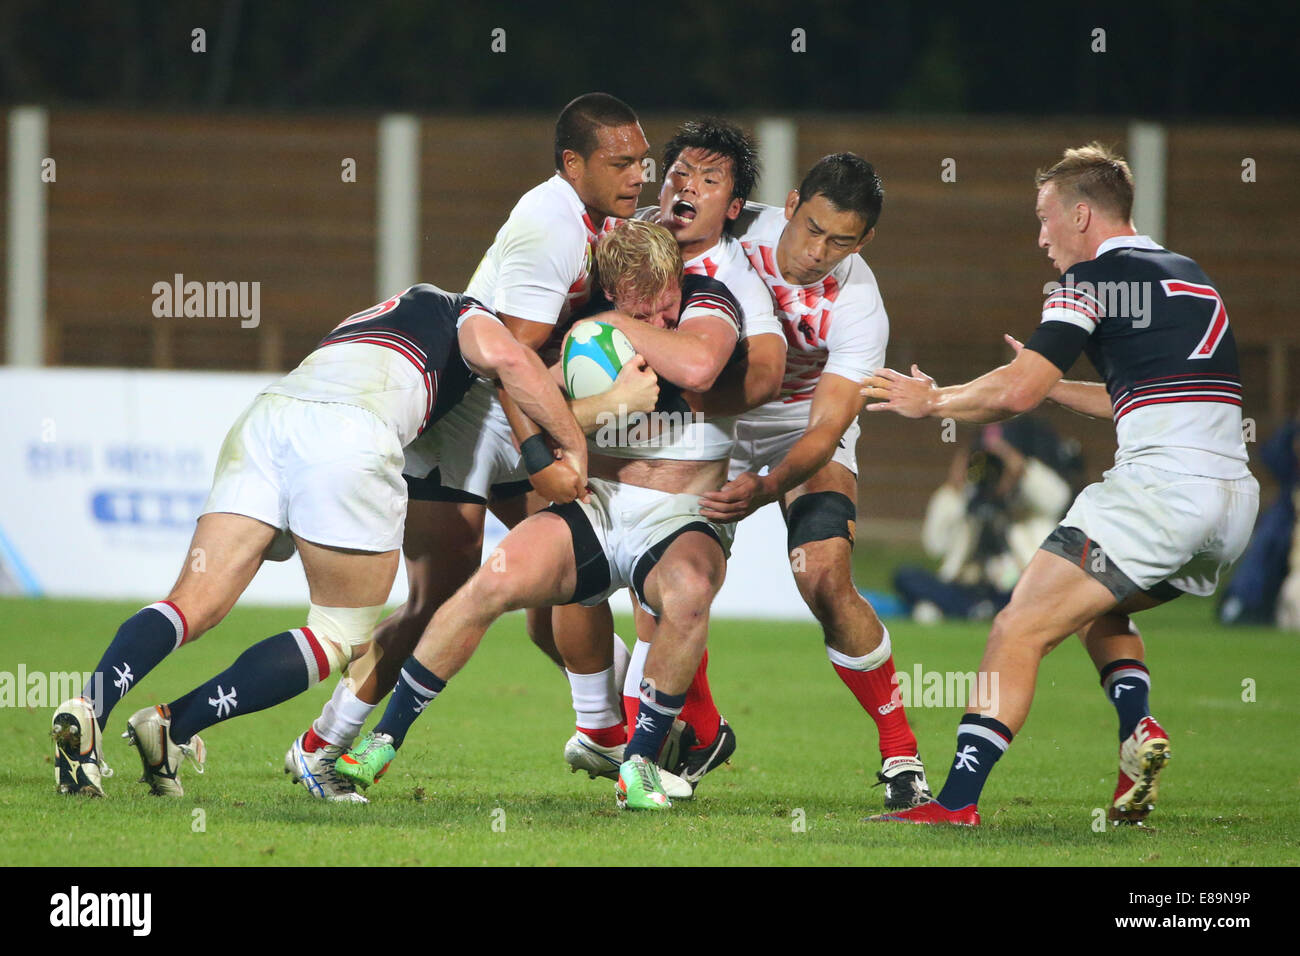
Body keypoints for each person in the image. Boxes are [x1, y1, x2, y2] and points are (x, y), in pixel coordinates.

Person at [51, 285, 586, 797]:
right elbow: (512, 361)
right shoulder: (469, 312)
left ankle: (90, 707)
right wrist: (572, 446)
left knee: (190, 604)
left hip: (267, 417)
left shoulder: (388, 309)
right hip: (348, 436)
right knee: (340, 634)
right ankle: (177, 723)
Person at [861, 143, 1259, 826]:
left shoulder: (1089, 282)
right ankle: (1137, 730)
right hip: (1229, 510)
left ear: (1081, 214)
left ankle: (955, 803)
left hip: (1156, 496)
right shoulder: (1190, 276)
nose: (1041, 238)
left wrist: (935, 402)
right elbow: (1136, 396)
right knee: (1098, 606)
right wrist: (1050, 388)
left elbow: (1014, 394)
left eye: (1046, 220)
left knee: (1016, 627)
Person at [283, 93, 652, 801]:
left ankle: (609, 733)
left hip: (499, 415)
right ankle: (321, 745)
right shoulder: (552, 224)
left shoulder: (595, 220)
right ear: (573, 164)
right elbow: (508, 359)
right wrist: (546, 452)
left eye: (643, 159)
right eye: (621, 162)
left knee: (578, 562)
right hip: (466, 422)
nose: (639, 174)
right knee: (440, 597)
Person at [336, 219, 777, 810]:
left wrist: (621, 327)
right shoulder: (580, 326)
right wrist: (599, 408)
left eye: (665, 303)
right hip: (598, 506)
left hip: (680, 513)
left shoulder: (707, 300)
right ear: (615, 292)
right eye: (643, 311)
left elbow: (697, 368)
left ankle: (640, 764)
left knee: (689, 592)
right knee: (490, 581)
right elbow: (533, 398)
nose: (663, 319)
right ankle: (383, 740)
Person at [678, 152, 933, 809]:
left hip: (803, 429)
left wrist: (766, 488)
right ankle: (703, 733)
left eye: (840, 241)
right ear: (790, 205)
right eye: (812, 228)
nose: (819, 251)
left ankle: (901, 755)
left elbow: (825, 432)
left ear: (864, 240)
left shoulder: (860, 305)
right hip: (722, 426)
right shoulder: (731, 232)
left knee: (824, 575)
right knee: (681, 579)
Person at [559, 117, 786, 790]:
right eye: (680, 172)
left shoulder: (733, 278)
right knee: (607, 601)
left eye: (710, 180)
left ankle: (640, 739)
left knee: (661, 595)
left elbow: (767, 374)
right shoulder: (631, 241)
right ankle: (677, 736)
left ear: (733, 207)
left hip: (698, 454)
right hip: (620, 445)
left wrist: (674, 398)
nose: (686, 187)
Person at [894, 418, 1074, 622]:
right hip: (966, 585)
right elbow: (934, 545)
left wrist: (1018, 468)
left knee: (1038, 592)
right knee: (906, 576)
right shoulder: (970, 494)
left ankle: (970, 610)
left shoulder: (1030, 493)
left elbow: (1057, 500)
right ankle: (978, 609)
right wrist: (954, 487)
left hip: (1014, 585)